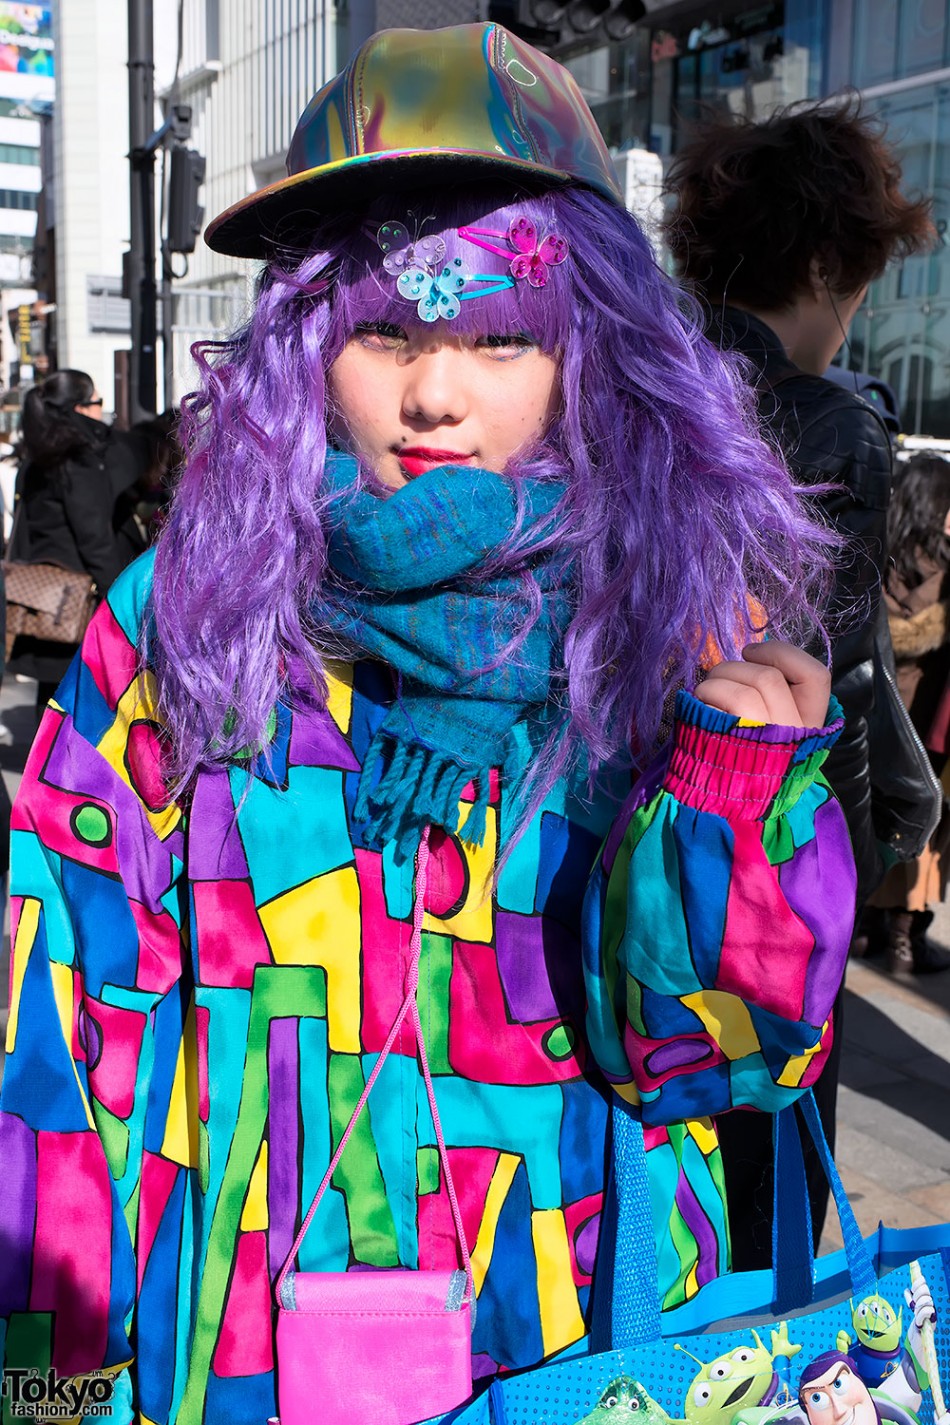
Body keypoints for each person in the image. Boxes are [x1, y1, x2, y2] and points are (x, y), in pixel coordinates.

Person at [0, 25, 853, 1424]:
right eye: (387, 329)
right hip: (229, 1352)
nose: (435, 395)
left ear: (588, 351)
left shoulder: (661, 611)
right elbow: (63, 1022)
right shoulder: (194, 608)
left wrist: (733, 798)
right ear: (309, 337)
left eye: (501, 338)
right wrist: (48, 1389)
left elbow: (726, 1063)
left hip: (578, 1344)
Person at [662, 99, 934, 1269]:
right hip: (763, 847)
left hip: (628, 831)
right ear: (824, 264)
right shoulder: (829, 422)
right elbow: (841, 675)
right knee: (768, 1196)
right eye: (860, 281)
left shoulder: (638, 386)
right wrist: (887, 831)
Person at [6, 369, 143, 709]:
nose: (101, 410)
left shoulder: (36, 458)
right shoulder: (76, 461)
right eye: (97, 402)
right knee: (81, 699)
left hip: (44, 595)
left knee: (52, 695)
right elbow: (93, 537)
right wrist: (121, 599)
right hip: (79, 600)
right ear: (81, 409)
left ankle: (42, 760)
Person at [868, 454, 950, 974]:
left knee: (871, 810)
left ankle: (863, 929)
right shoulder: (945, 570)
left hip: (876, 712)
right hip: (925, 718)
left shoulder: (875, 552)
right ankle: (905, 938)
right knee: (923, 821)